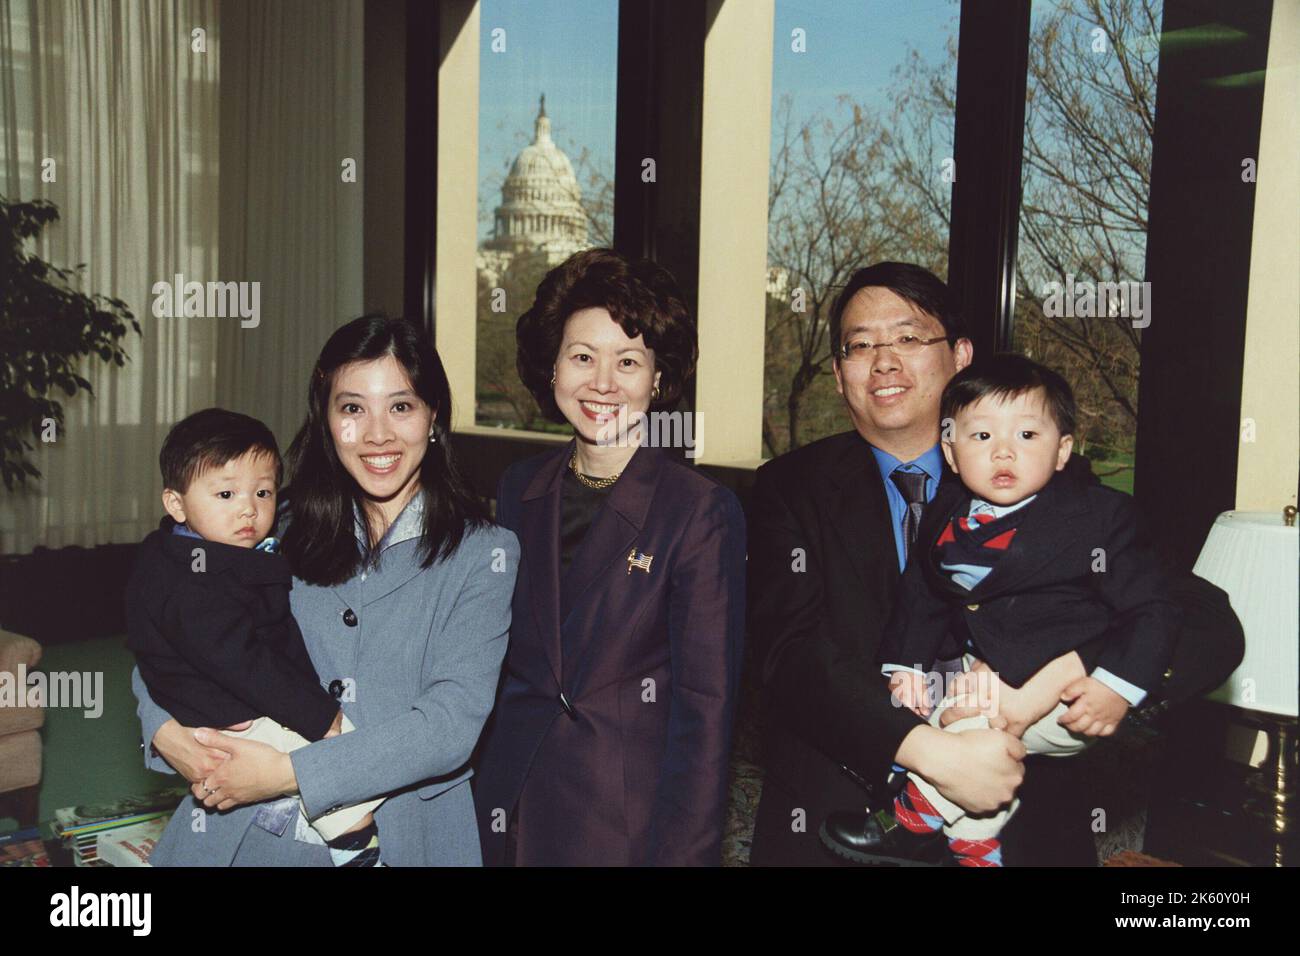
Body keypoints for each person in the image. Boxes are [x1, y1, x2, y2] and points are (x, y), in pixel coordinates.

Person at [747, 261, 1244, 867]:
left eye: (908, 337)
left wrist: (1074, 671)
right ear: (837, 373)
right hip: (837, 821)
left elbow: (1206, 623)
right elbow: (790, 654)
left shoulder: (1050, 483)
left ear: (960, 356)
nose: (884, 361)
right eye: (860, 345)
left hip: (1026, 825)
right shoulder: (787, 489)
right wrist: (930, 753)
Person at [131, 315, 519, 866]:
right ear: (327, 419)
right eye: (353, 408)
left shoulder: (484, 553)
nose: (377, 434)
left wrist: (289, 773)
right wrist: (163, 731)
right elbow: (173, 627)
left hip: (400, 837)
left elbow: (450, 724)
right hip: (240, 832)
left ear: (433, 416)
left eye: (401, 406)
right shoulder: (269, 522)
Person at [472, 248, 746, 866]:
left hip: (623, 825)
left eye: (628, 361)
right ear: (552, 368)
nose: (602, 383)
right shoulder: (518, 487)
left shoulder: (699, 511)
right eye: (582, 357)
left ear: (657, 378)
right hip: (508, 805)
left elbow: (706, 713)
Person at [865, 354, 1180, 866]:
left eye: (1028, 435)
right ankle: (976, 846)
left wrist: (1116, 686)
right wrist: (907, 665)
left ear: (1062, 451)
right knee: (956, 730)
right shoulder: (950, 510)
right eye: (981, 436)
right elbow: (924, 590)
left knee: (966, 730)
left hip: (1069, 695)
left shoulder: (1100, 517)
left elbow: (1154, 607)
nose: (1004, 451)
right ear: (950, 452)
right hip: (982, 671)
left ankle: (910, 818)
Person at [126, 408, 383, 865]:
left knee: (341, 764)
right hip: (234, 712)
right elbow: (241, 661)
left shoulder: (188, 549)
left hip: (228, 701)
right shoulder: (196, 578)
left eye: (263, 492)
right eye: (226, 494)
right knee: (341, 770)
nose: (248, 508)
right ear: (176, 504)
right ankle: (356, 848)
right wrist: (319, 716)